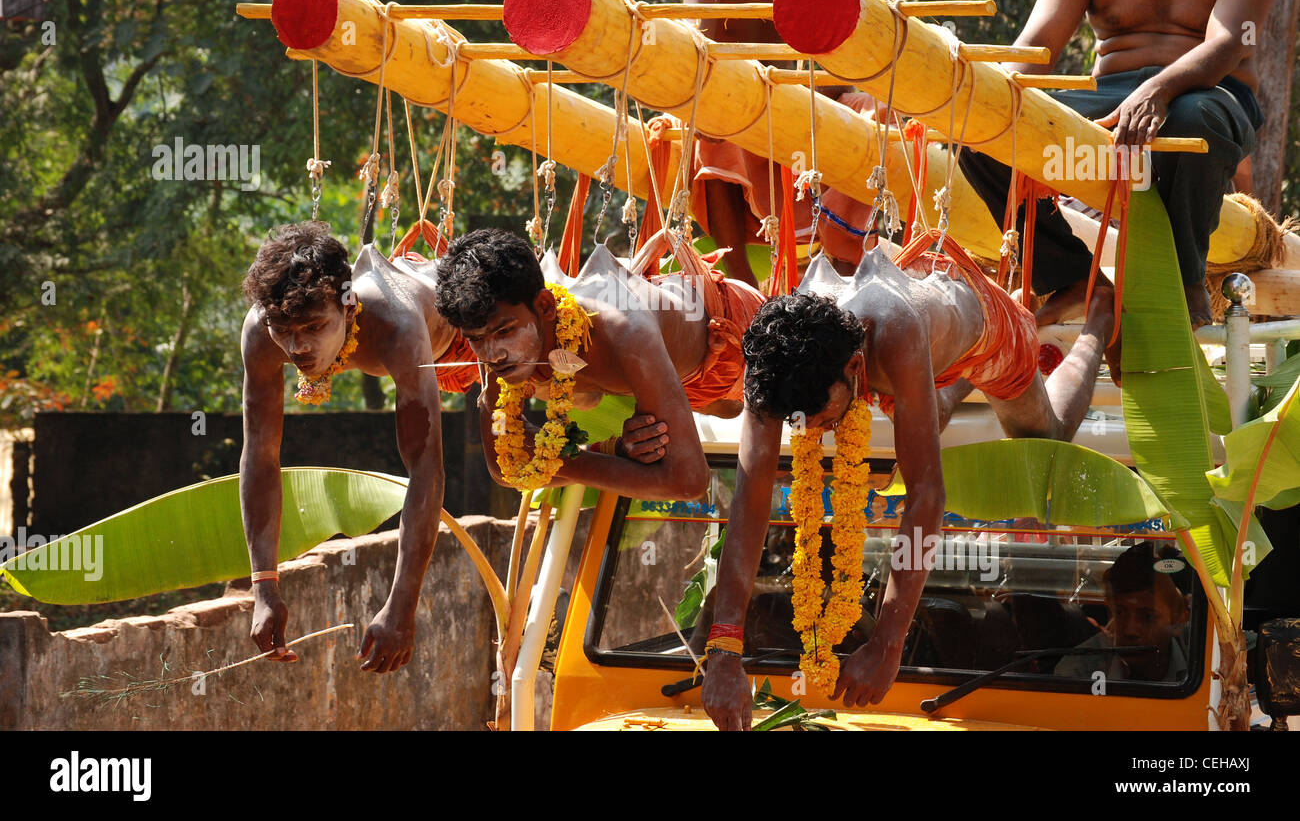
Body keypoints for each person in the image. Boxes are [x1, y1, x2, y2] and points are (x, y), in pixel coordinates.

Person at [701, 236, 1115, 729]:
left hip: (975, 321)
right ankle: (960, 377)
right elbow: (750, 499)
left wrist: (888, 641)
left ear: (855, 368)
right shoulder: (775, 364)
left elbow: (926, 495)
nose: (809, 432)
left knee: (1046, 433)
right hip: (909, 335)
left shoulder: (894, 330)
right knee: (929, 414)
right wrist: (724, 647)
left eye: (818, 417)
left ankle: (1098, 320)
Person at [959, 0, 1279, 330]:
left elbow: (1232, 43)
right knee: (981, 134)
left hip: (1215, 93)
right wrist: (976, 99)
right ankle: (1068, 275)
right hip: (1108, 94)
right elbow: (1031, 52)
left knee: (1193, 117)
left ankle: (1188, 283)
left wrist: (1159, 89)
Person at [239, 221, 475, 674]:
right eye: (283, 330)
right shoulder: (261, 331)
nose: (297, 347)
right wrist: (264, 588)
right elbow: (261, 456)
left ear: (349, 307)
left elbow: (427, 468)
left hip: (466, 338)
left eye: (313, 326)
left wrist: (402, 608)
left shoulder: (397, 325)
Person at [433, 227, 765, 499]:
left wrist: (557, 458)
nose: (492, 354)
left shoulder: (623, 327)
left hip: (740, 333)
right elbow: (504, 466)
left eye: (505, 331)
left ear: (546, 306)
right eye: (476, 339)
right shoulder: (498, 351)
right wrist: (613, 450)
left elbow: (689, 480)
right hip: (682, 381)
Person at [683, 0, 876, 287]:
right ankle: (743, 285)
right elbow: (696, 62)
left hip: (792, 120)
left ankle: (839, 256)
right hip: (725, 117)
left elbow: (835, 82)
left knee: (876, 112)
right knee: (715, 118)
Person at [1054, 541, 1192, 682]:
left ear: (1179, 621)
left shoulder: (1204, 660)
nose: (1130, 630)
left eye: (1148, 616)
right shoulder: (1077, 673)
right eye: (1120, 613)